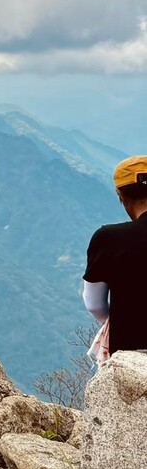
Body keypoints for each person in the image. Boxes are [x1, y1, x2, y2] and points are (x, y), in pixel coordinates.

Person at [82, 154, 147, 363]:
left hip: (131, 355)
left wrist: (116, 320)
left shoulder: (109, 238)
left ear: (120, 194)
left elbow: (93, 303)